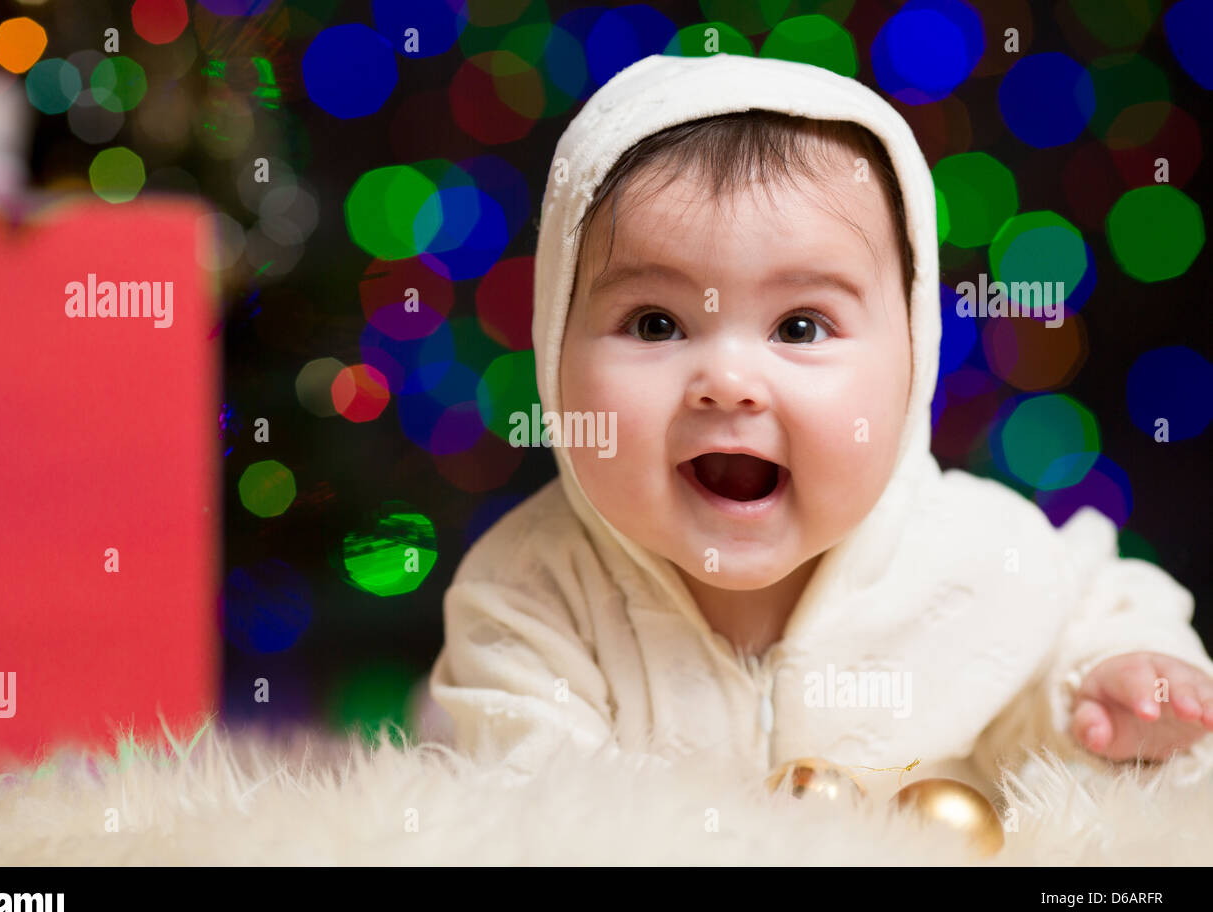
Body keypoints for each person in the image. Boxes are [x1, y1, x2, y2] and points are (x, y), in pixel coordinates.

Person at [428, 54, 1213, 800]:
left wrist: (1116, 677)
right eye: (656, 323)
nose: (729, 383)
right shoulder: (528, 594)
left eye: (801, 327)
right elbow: (536, 812)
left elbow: (1090, 610)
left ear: (914, 355)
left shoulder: (975, 554)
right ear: (553, 352)